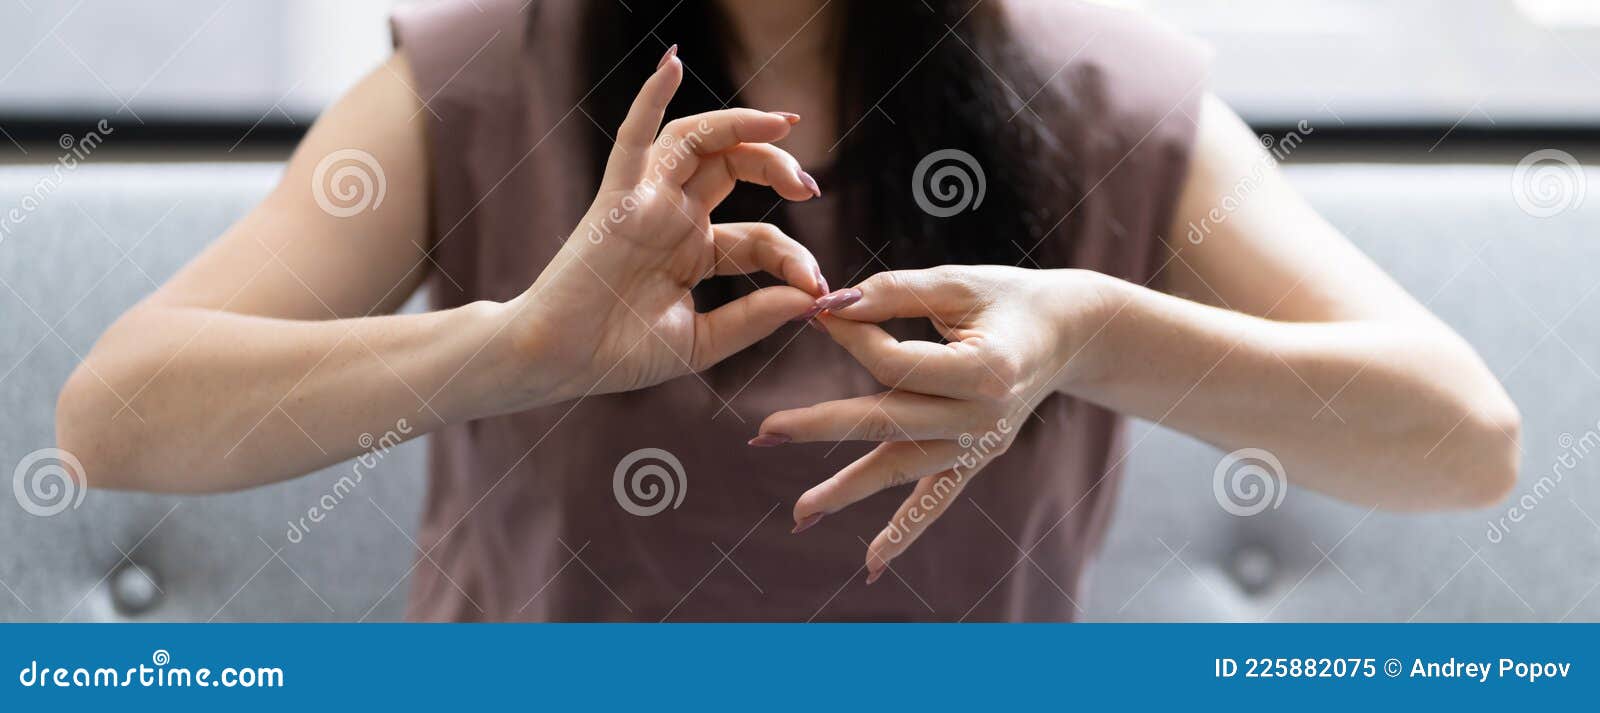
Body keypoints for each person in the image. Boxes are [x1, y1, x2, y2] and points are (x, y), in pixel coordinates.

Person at [55, 0, 1520, 621]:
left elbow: (1466, 440)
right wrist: (515, 347)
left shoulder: (1111, 101)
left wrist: (1096, 332)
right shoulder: (480, 74)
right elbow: (114, 419)